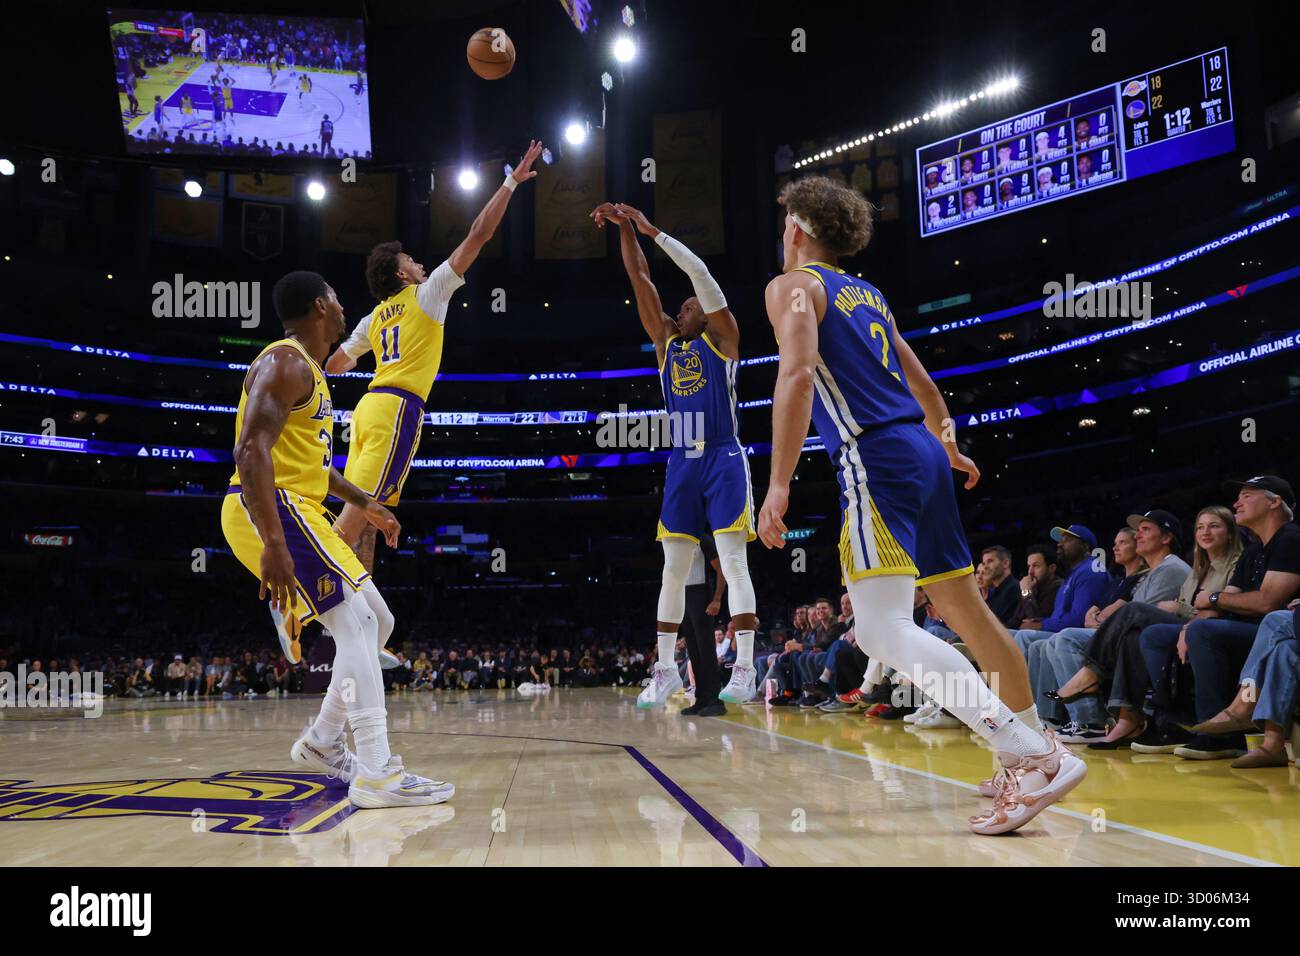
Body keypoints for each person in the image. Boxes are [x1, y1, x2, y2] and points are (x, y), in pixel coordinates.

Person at [758, 175, 1084, 835]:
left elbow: (795, 375)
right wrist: (947, 443)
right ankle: (1022, 756)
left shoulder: (791, 285)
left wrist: (779, 482)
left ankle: (1038, 753)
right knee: (973, 620)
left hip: (875, 458)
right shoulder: (869, 293)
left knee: (880, 629)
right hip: (920, 452)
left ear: (796, 227)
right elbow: (924, 382)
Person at [220, 269, 451, 809]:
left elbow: (312, 468)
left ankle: (323, 742)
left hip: (301, 507)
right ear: (321, 306)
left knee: (380, 622)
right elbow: (251, 453)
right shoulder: (285, 362)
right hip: (272, 508)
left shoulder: (312, 374)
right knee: (357, 623)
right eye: (339, 299)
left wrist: (368, 505)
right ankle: (376, 771)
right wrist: (274, 545)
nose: (346, 308)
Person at [325, 141, 544, 602]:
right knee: (352, 521)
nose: (420, 263)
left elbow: (334, 364)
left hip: (366, 411)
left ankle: (359, 618)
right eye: (411, 261)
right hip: (396, 411)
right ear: (403, 275)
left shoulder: (374, 316)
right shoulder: (429, 294)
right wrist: (510, 182)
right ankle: (302, 601)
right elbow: (479, 233)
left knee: (365, 514)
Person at [589, 200, 759, 713]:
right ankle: (664, 668)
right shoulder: (667, 345)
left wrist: (652, 228)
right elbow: (641, 280)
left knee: (732, 559)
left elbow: (700, 273)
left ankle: (746, 667)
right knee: (673, 570)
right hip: (682, 459)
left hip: (725, 456)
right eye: (678, 308)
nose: (678, 311)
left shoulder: (724, 340)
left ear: (705, 315)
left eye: (686, 307)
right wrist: (625, 232)